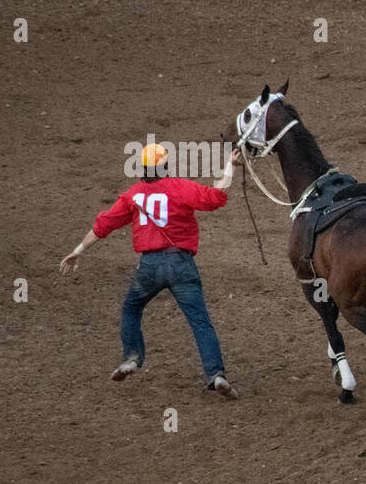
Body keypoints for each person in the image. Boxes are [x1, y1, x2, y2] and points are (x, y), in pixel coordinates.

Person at [59, 142, 240, 399]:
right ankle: (216, 374)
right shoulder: (180, 187)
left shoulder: (132, 196)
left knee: (131, 308)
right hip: (181, 265)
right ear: (165, 166)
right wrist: (230, 166)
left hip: (149, 267)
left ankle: (132, 357)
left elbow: (104, 224)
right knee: (200, 322)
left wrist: (78, 250)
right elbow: (215, 197)